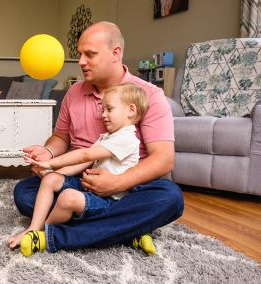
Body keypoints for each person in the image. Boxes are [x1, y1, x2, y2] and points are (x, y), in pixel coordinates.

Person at [12, 21, 184, 256]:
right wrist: (49, 153)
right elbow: (60, 137)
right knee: (23, 193)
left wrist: (118, 182)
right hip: (79, 178)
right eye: (80, 54)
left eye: (90, 54)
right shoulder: (74, 93)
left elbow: (163, 159)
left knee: (170, 198)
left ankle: (58, 235)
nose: (81, 61)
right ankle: (127, 228)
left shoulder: (149, 95)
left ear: (116, 54)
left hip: (131, 186)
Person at [9, 83, 155, 256]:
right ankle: (33, 229)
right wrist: (52, 174)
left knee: (67, 197)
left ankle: (43, 236)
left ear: (130, 110)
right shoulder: (107, 137)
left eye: (109, 109)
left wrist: (51, 163)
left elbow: (85, 155)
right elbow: (83, 164)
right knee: (50, 180)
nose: (103, 115)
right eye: (103, 109)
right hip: (89, 188)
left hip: (110, 202)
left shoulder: (127, 138)